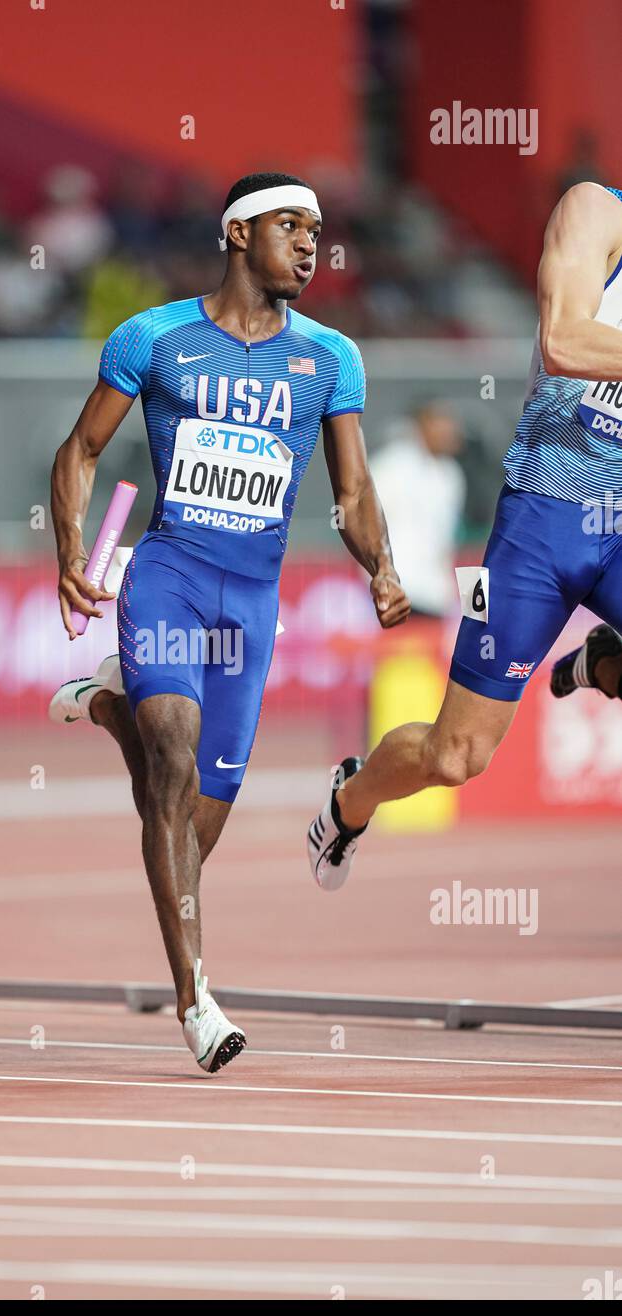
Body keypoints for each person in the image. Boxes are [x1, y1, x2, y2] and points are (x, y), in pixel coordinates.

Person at [49, 172, 409, 1072]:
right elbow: (82, 449)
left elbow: (353, 490)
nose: (310, 243)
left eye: (318, 230)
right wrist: (67, 549)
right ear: (239, 232)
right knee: (170, 772)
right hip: (168, 576)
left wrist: (383, 564)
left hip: (251, 605)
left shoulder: (331, 358)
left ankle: (107, 705)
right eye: (292, 225)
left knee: (188, 833)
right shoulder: (156, 338)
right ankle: (196, 1003)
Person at [306, 181, 622, 892]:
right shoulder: (597, 211)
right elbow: (565, 339)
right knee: (457, 757)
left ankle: (601, 663)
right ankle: (351, 800)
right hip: (543, 523)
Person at [369, 401, 465, 619]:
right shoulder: (390, 466)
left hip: (435, 592)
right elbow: (366, 523)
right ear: (422, 425)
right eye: (441, 424)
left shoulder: (450, 474)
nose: (449, 432)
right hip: (400, 589)